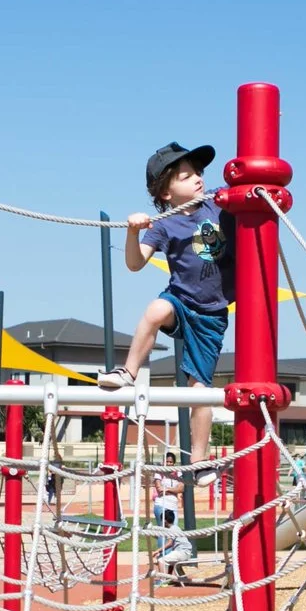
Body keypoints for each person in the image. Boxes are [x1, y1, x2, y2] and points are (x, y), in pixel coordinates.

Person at [103, 142, 233, 460]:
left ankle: (199, 459)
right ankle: (129, 373)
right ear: (166, 194)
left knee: (200, 392)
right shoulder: (163, 224)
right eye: (186, 176)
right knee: (156, 309)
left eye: (198, 173)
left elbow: (245, 182)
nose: (197, 179)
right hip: (181, 301)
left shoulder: (219, 203)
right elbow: (135, 264)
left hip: (212, 314)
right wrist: (133, 231)